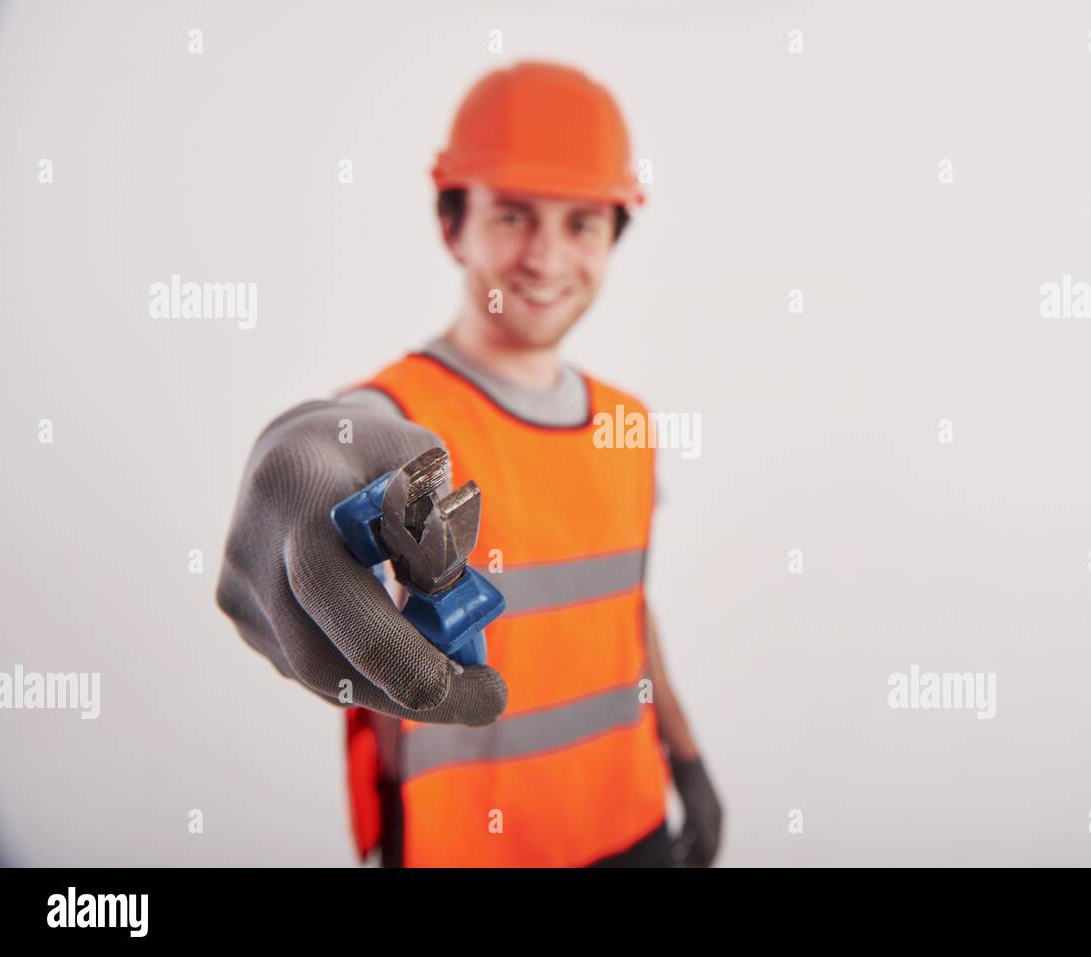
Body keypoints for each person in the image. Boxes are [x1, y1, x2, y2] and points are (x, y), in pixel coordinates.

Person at [216, 60, 721, 867]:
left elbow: (624, 610)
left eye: (581, 223)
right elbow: (335, 440)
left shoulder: (629, 422)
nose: (547, 259)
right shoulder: (402, 419)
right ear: (451, 225)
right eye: (513, 216)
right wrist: (293, 458)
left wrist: (687, 759)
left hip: (630, 826)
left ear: (613, 237)